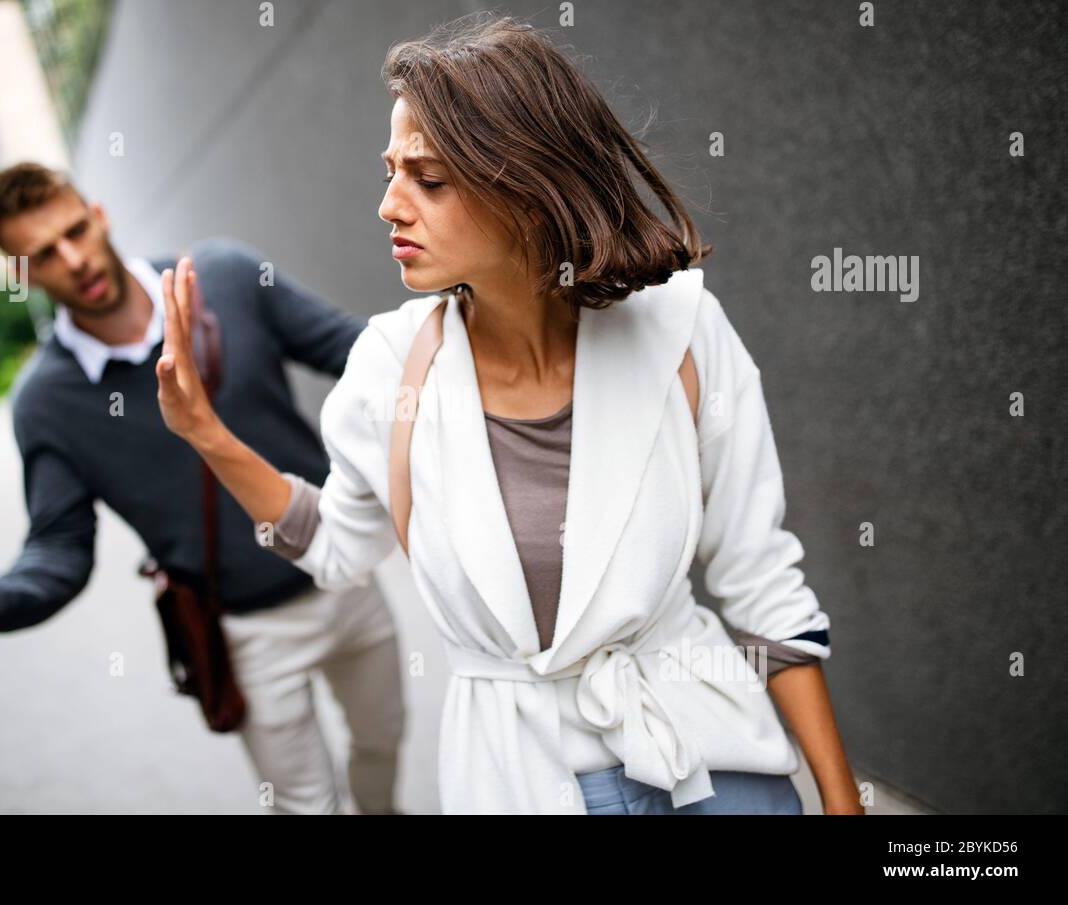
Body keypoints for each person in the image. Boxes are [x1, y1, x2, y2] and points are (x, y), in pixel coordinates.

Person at [153, 15, 862, 815]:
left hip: (714, 759)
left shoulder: (682, 328)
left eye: (429, 179)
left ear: (527, 186)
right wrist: (204, 433)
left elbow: (761, 582)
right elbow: (339, 546)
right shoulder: (390, 368)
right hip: (523, 780)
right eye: (390, 172)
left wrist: (843, 801)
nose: (390, 205)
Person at [0, 163, 405, 816]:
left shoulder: (225, 277)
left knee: (383, 744)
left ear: (99, 215)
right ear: (20, 274)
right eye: (44, 254)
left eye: (76, 230)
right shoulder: (46, 402)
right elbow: (60, 546)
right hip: (244, 632)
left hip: (346, 574)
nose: (74, 258)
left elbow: (358, 353)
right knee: (305, 805)